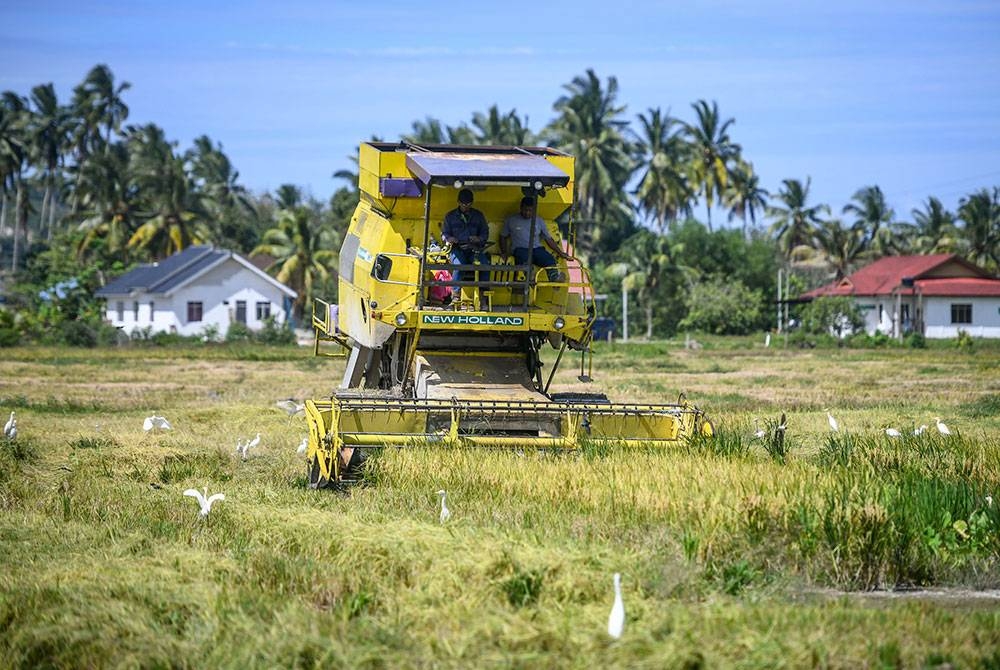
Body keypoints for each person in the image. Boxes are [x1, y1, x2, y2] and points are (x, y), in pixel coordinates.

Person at [500, 196, 570, 281]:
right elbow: (503, 236)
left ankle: (555, 278)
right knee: (523, 258)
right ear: (521, 208)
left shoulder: (539, 221)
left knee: (548, 258)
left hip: (537, 249)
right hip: (520, 249)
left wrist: (560, 253)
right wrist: (504, 252)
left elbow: (548, 239)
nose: (527, 213)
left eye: (530, 211)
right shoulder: (511, 220)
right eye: (525, 210)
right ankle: (530, 277)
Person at [442, 188, 490, 302]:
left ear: (472, 203)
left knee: (485, 264)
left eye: (468, 204)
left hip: (474, 249)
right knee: (459, 265)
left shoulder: (479, 216)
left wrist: (479, 238)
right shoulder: (450, 216)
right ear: (458, 202)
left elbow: (485, 233)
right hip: (457, 249)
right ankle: (456, 295)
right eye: (463, 204)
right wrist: (449, 239)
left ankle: (483, 295)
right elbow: (444, 234)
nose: (465, 207)